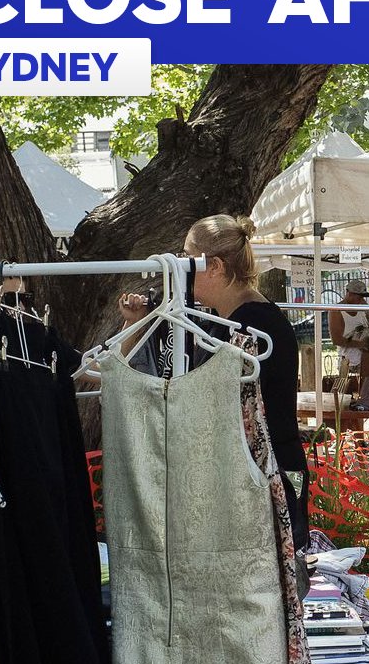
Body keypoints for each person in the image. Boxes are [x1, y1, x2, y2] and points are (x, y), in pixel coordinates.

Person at [118, 214, 310, 550]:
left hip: (264, 481)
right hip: (256, 476)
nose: (182, 268)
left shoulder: (251, 325)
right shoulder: (229, 320)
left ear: (216, 266)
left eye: (188, 258)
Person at [329, 278, 369, 372]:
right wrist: (361, 345)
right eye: (359, 297)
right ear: (349, 293)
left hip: (367, 360)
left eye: (363, 297)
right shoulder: (336, 310)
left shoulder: (362, 307)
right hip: (348, 364)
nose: (361, 300)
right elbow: (337, 340)